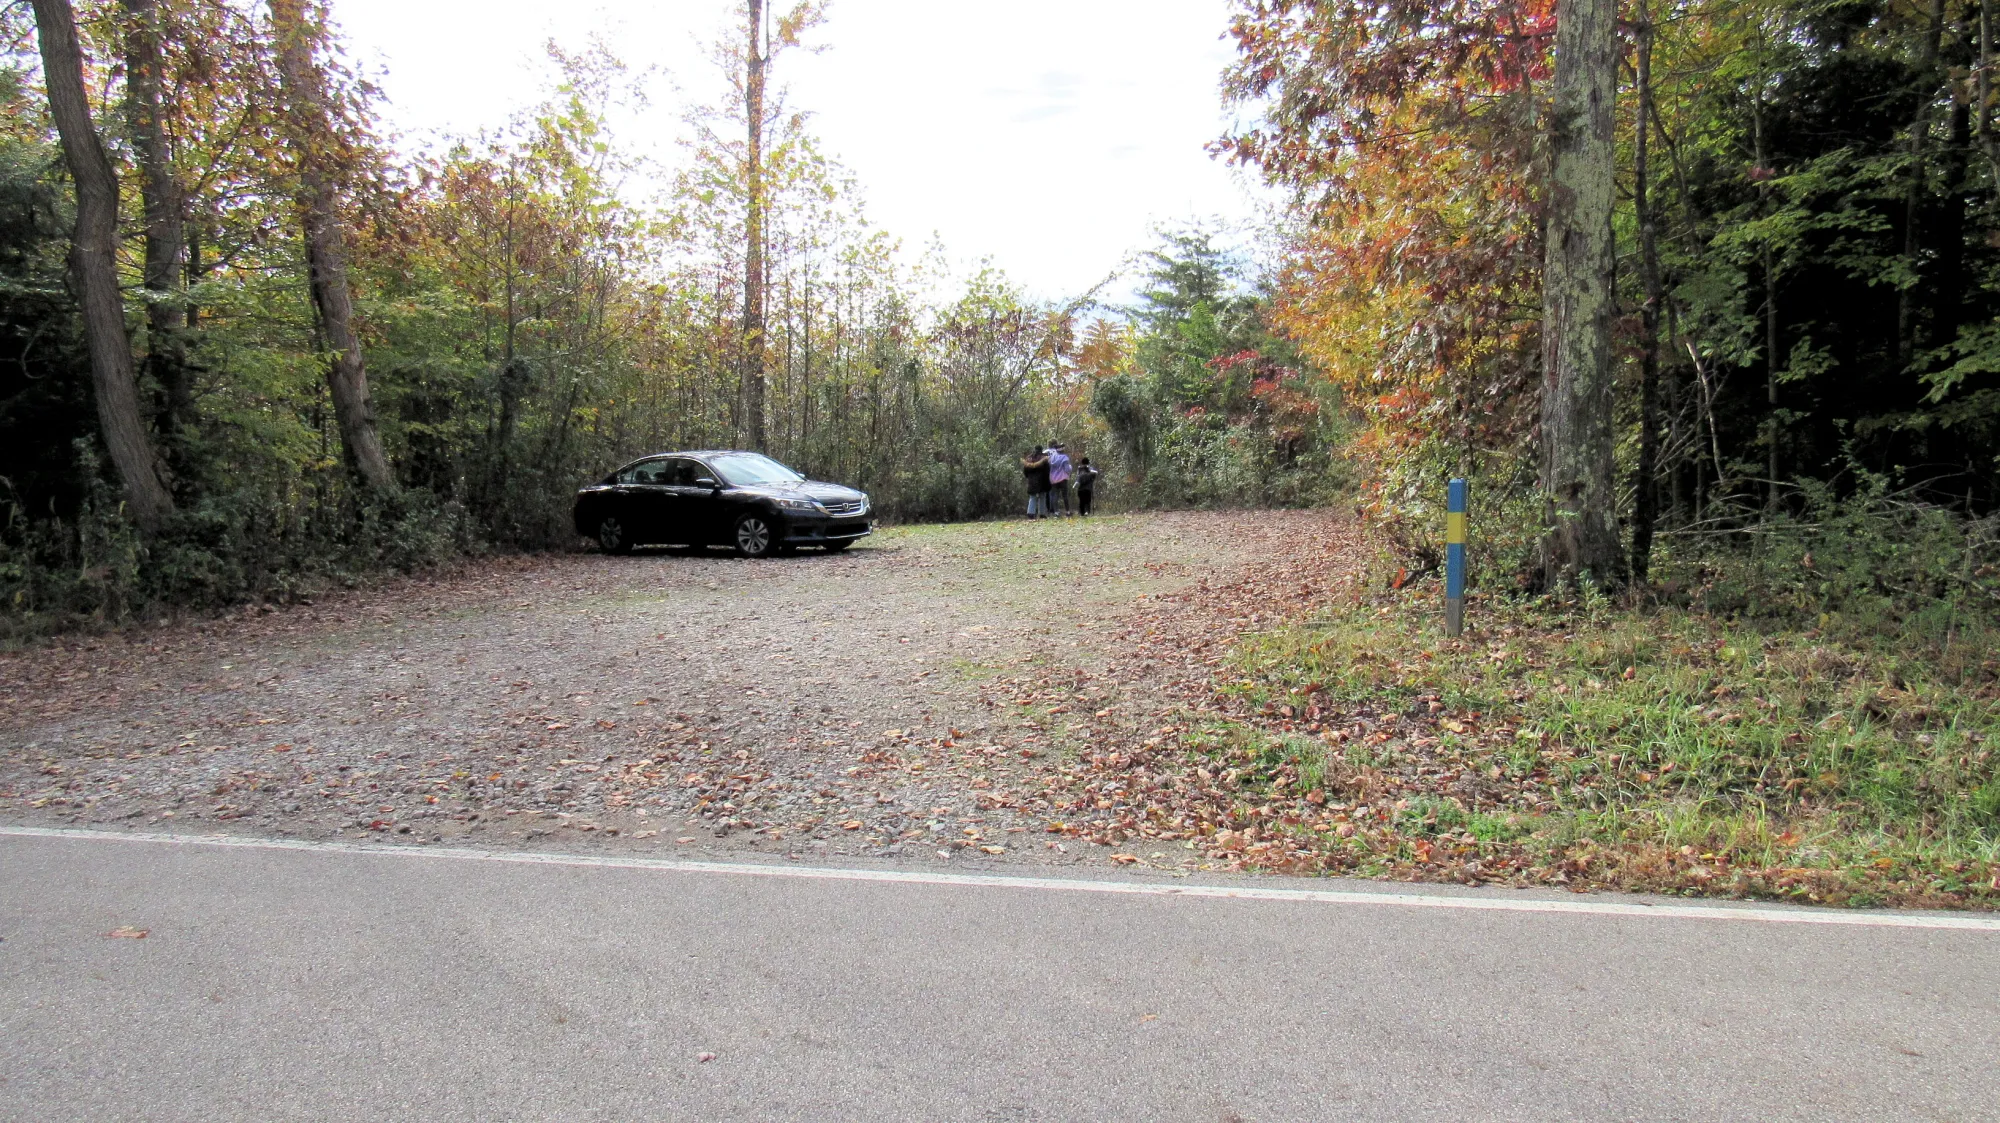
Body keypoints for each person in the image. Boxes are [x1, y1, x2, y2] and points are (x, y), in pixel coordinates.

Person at [1020, 447, 1050, 517]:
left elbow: (1025, 471)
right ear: (1041, 450)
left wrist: (1029, 477)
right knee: (1042, 496)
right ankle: (1042, 514)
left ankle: (1030, 513)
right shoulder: (1044, 458)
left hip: (1031, 480)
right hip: (1042, 480)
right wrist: (1047, 481)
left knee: (1032, 496)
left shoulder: (1028, 459)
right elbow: (1047, 471)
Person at [1046, 443, 1072, 516]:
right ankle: (1067, 511)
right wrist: (1070, 467)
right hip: (1063, 479)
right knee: (1065, 495)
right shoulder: (1065, 457)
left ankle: (1056, 512)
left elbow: (1049, 466)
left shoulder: (1052, 457)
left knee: (1055, 495)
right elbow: (1067, 469)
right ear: (1062, 450)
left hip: (1054, 479)